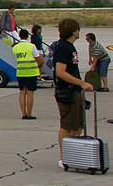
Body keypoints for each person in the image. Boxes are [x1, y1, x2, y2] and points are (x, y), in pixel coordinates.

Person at [51, 18, 95, 165]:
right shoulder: (63, 48)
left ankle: (73, 154)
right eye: (77, 29)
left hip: (75, 91)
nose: (79, 32)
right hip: (66, 92)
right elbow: (60, 72)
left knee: (78, 125)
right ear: (73, 31)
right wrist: (82, 83)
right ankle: (64, 158)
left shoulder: (70, 47)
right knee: (67, 125)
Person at [11, 29, 44, 120]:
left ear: (19, 36)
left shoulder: (15, 48)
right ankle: (29, 114)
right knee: (30, 93)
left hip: (21, 72)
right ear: (27, 36)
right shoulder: (31, 46)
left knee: (22, 92)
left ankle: (23, 113)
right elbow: (38, 59)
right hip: (31, 72)